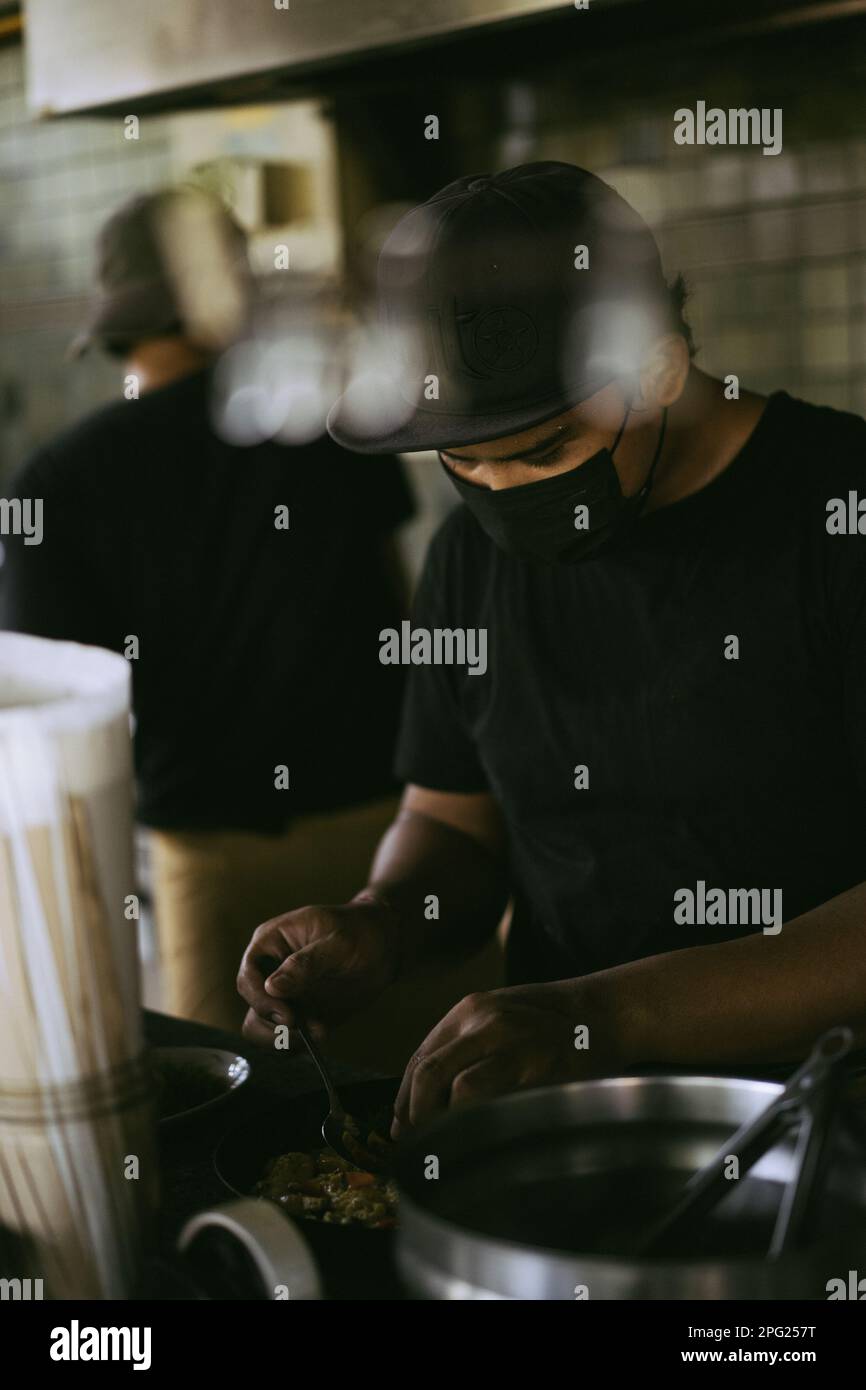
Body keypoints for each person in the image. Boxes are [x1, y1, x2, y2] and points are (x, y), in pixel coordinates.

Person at [236, 160, 866, 1133]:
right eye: (462, 459)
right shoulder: (466, 555)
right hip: (563, 1123)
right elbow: (452, 819)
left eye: (540, 451)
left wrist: (602, 1014)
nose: (499, 494)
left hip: (824, 1125)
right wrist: (386, 918)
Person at [0, 187, 420, 1037]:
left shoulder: (59, 480)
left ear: (117, 330)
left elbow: (54, 717)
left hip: (214, 863)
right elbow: (403, 613)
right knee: (429, 1090)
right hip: (394, 850)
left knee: (247, 1098)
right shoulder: (333, 424)